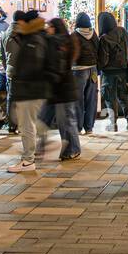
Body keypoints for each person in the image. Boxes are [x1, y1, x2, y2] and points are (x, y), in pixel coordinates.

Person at [5, 12, 48, 172]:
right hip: (31, 89)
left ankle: (28, 160)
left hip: (30, 89)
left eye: (20, 23)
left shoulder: (33, 40)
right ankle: (42, 137)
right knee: (27, 122)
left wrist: (20, 80)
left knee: (26, 125)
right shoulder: (34, 37)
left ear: (27, 23)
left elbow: (32, 66)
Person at [43, 18, 82, 159]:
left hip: (62, 88)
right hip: (65, 87)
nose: (47, 28)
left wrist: (52, 80)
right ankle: (70, 149)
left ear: (55, 27)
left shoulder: (58, 42)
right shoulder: (66, 40)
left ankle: (73, 149)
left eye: (49, 26)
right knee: (66, 120)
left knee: (67, 121)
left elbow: (58, 67)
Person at [97, 11, 128, 133]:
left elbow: (103, 60)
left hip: (109, 73)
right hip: (123, 71)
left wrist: (100, 66)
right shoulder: (123, 32)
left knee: (110, 98)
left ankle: (113, 124)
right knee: (124, 96)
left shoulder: (104, 38)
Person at [70, 12, 99, 136]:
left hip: (78, 70)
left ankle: (78, 127)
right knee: (91, 99)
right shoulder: (94, 34)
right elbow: (98, 50)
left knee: (78, 100)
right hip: (92, 69)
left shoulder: (74, 35)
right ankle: (89, 127)